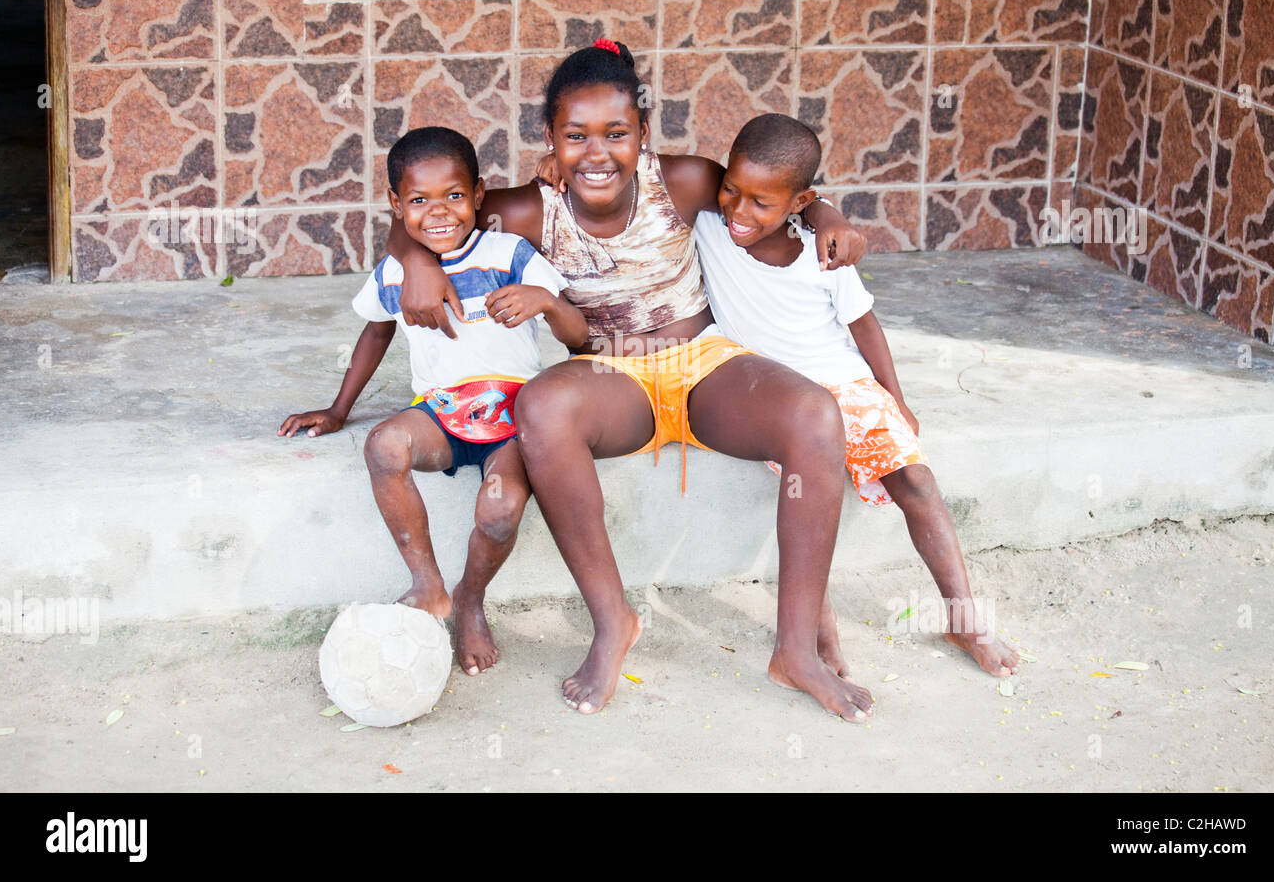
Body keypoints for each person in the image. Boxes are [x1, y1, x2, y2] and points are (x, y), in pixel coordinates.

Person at [386, 40, 877, 722]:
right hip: (612, 377)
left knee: (814, 415)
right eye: (575, 135)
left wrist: (828, 217)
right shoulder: (529, 209)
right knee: (544, 406)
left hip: (704, 364)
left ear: (643, 134)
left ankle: (796, 649)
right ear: (550, 141)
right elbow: (435, 213)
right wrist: (412, 257)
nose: (597, 153)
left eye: (616, 133)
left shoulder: (683, 180)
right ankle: (613, 618)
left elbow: (776, 198)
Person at [694, 113, 1022, 678]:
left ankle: (963, 616)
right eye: (731, 191)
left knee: (916, 479)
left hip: (844, 383)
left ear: (799, 203)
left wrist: (894, 399)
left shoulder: (825, 258)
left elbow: (865, 327)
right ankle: (819, 636)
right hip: (780, 397)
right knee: (809, 502)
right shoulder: (708, 230)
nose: (739, 212)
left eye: (761, 203)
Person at [279, 127, 587, 676]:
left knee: (499, 512)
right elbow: (376, 335)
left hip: (514, 421)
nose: (438, 211)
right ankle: (429, 585)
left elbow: (578, 335)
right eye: (418, 200)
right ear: (396, 206)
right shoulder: (396, 272)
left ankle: (470, 597)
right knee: (384, 446)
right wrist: (338, 410)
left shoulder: (509, 253)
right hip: (441, 416)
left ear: (478, 194)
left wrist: (544, 300)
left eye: (453, 195)